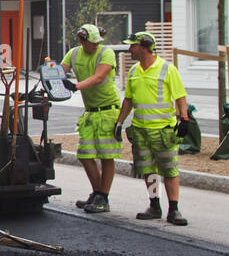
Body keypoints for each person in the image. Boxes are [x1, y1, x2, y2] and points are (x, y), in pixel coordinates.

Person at [115, 31, 190, 226]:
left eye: (133, 45)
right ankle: (154, 205)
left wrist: (184, 119)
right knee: (148, 169)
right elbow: (128, 100)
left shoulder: (167, 69)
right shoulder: (133, 71)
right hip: (141, 131)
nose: (130, 49)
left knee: (169, 170)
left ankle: (174, 209)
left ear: (144, 46)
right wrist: (119, 122)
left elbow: (180, 96)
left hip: (163, 130)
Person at [62, 23, 122, 214]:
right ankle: (98, 193)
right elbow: (60, 70)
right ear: (81, 40)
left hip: (108, 110)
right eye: (92, 43)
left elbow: (98, 77)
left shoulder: (106, 53)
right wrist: (50, 73)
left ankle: (102, 197)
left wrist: (75, 86)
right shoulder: (73, 54)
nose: (95, 46)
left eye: (97, 42)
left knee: (106, 155)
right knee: (85, 155)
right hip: (90, 111)